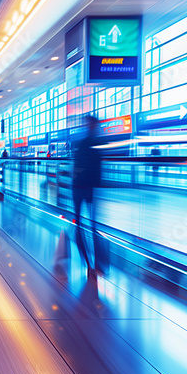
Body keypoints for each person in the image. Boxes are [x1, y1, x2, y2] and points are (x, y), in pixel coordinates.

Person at [72, 115, 104, 273]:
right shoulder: (92, 143)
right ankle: (91, 263)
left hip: (82, 186)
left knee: (83, 224)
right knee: (86, 225)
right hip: (84, 187)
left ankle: (90, 264)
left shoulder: (84, 143)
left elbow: (80, 166)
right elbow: (91, 166)